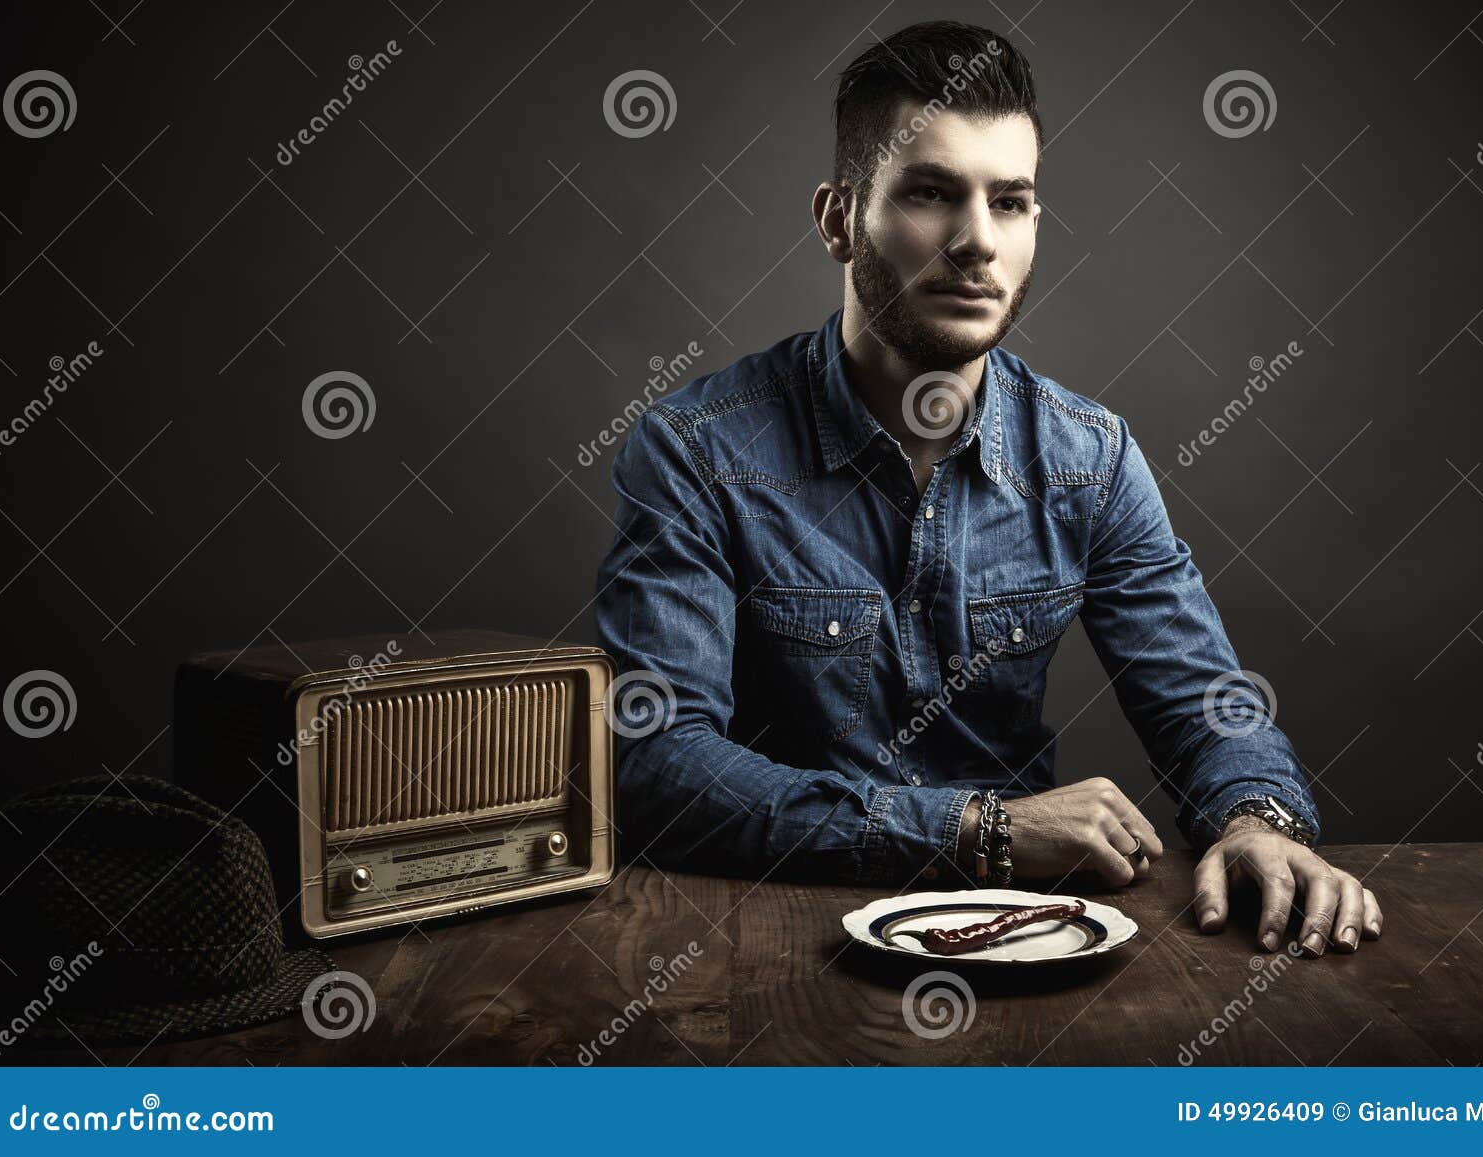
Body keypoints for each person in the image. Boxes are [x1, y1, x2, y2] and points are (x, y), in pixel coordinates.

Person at [592, 20, 1383, 957]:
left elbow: (1205, 705)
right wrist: (977, 830)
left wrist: (1256, 822)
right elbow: (654, 763)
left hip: (1020, 943)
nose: (975, 241)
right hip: (756, 942)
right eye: (931, 193)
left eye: (1009, 201)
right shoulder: (698, 449)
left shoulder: (1088, 458)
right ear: (839, 218)